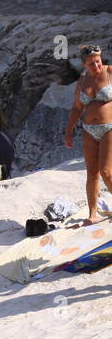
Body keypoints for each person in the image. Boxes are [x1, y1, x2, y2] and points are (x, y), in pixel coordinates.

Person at [64, 44, 112, 226]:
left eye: (98, 62)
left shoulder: (110, 73)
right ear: (84, 64)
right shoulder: (82, 81)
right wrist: (69, 131)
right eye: (91, 64)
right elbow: (77, 108)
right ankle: (93, 213)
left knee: (107, 172)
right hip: (88, 130)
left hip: (109, 127)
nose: (96, 66)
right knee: (92, 173)